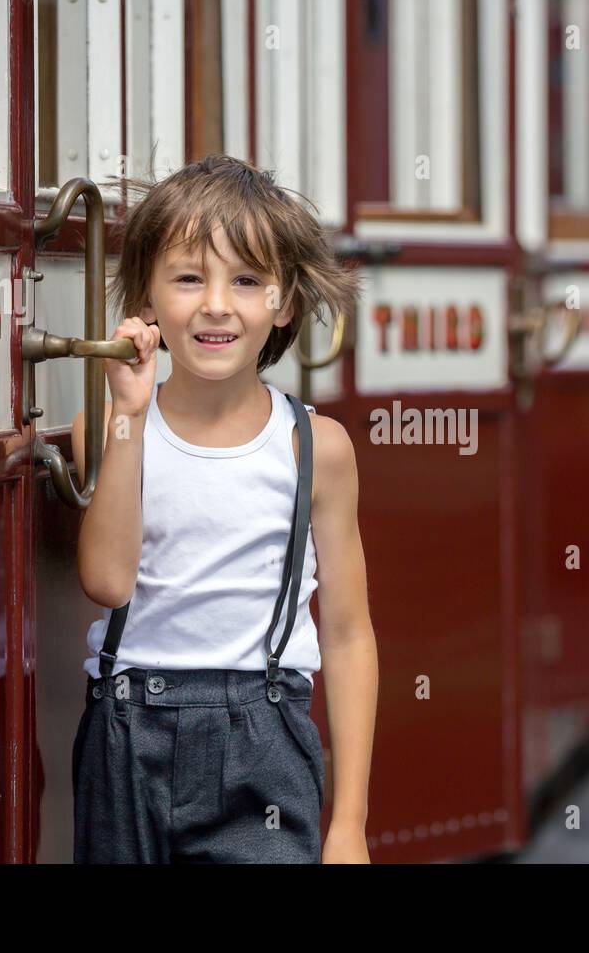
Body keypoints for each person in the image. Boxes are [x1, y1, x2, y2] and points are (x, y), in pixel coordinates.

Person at [70, 154, 376, 863]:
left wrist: (349, 823)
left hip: (263, 737)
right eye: (187, 278)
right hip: (126, 734)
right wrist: (127, 411)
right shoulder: (115, 428)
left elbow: (350, 635)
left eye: (246, 280)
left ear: (286, 301)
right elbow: (108, 582)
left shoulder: (315, 448)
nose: (216, 303)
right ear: (146, 301)